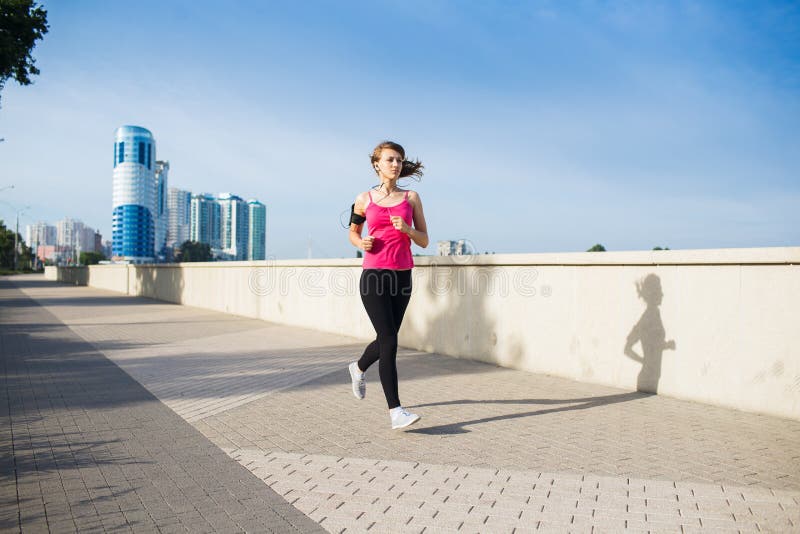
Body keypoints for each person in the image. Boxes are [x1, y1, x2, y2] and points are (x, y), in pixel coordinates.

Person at [347, 141, 429, 429]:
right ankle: (396, 411)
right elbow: (353, 232)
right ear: (377, 164)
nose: (395, 164)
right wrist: (361, 242)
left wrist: (407, 229)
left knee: (388, 336)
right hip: (373, 275)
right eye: (390, 159)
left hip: (402, 275)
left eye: (399, 160)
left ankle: (357, 368)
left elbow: (424, 240)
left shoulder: (412, 198)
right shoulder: (363, 199)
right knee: (390, 341)